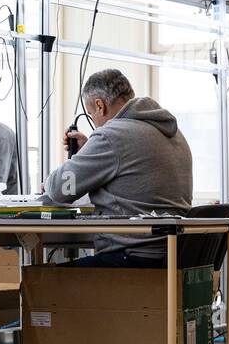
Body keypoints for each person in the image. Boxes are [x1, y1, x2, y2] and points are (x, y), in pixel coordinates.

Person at [40, 68, 192, 268]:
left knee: (38, 284)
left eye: (91, 114)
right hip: (173, 257)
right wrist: (89, 152)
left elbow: (60, 189)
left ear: (99, 105)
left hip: (132, 258)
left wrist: (60, 173)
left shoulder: (112, 135)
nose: (94, 121)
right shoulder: (172, 131)